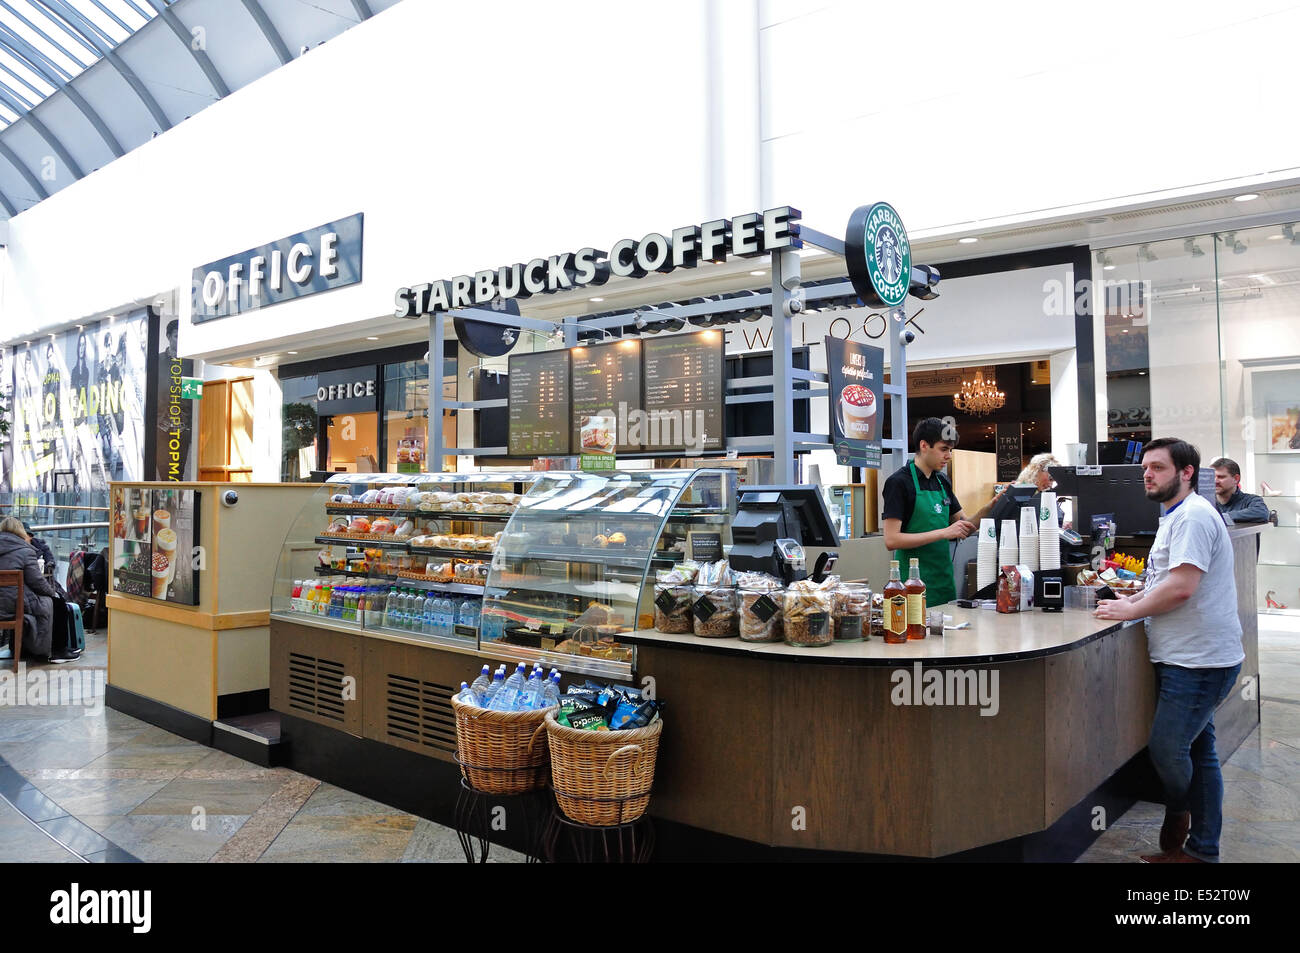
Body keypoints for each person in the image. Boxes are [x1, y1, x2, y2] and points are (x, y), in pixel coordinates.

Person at [1094, 437, 1243, 863]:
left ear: (1186, 472)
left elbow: (1181, 588)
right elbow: (1168, 578)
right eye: (1146, 468)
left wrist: (1130, 608)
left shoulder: (1194, 516)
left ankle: (1180, 814)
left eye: (1158, 467)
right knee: (1199, 750)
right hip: (1187, 654)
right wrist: (1140, 593)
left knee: (1168, 749)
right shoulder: (1177, 515)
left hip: (1198, 660)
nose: (1147, 474)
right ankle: (1202, 851)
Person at [881, 417, 999, 606]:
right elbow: (891, 540)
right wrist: (944, 532)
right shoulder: (899, 483)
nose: (949, 456)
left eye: (950, 450)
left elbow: (966, 527)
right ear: (924, 445)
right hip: (911, 585)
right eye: (944, 449)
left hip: (943, 583)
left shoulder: (942, 481)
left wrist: (991, 507)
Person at [0, 516, 67, 662]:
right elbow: (37, 582)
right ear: (20, 531)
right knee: (57, 602)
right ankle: (56, 651)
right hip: (13, 606)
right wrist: (53, 593)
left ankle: (19, 647)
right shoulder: (25, 551)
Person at [1209, 457, 1269, 523]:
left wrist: (1222, 517)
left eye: (1221, 477)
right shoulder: (1206, 502)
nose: (1215, 481)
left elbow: (1261, 512)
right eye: (1212, 477)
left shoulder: (1252, 500)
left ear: (1236, 479)